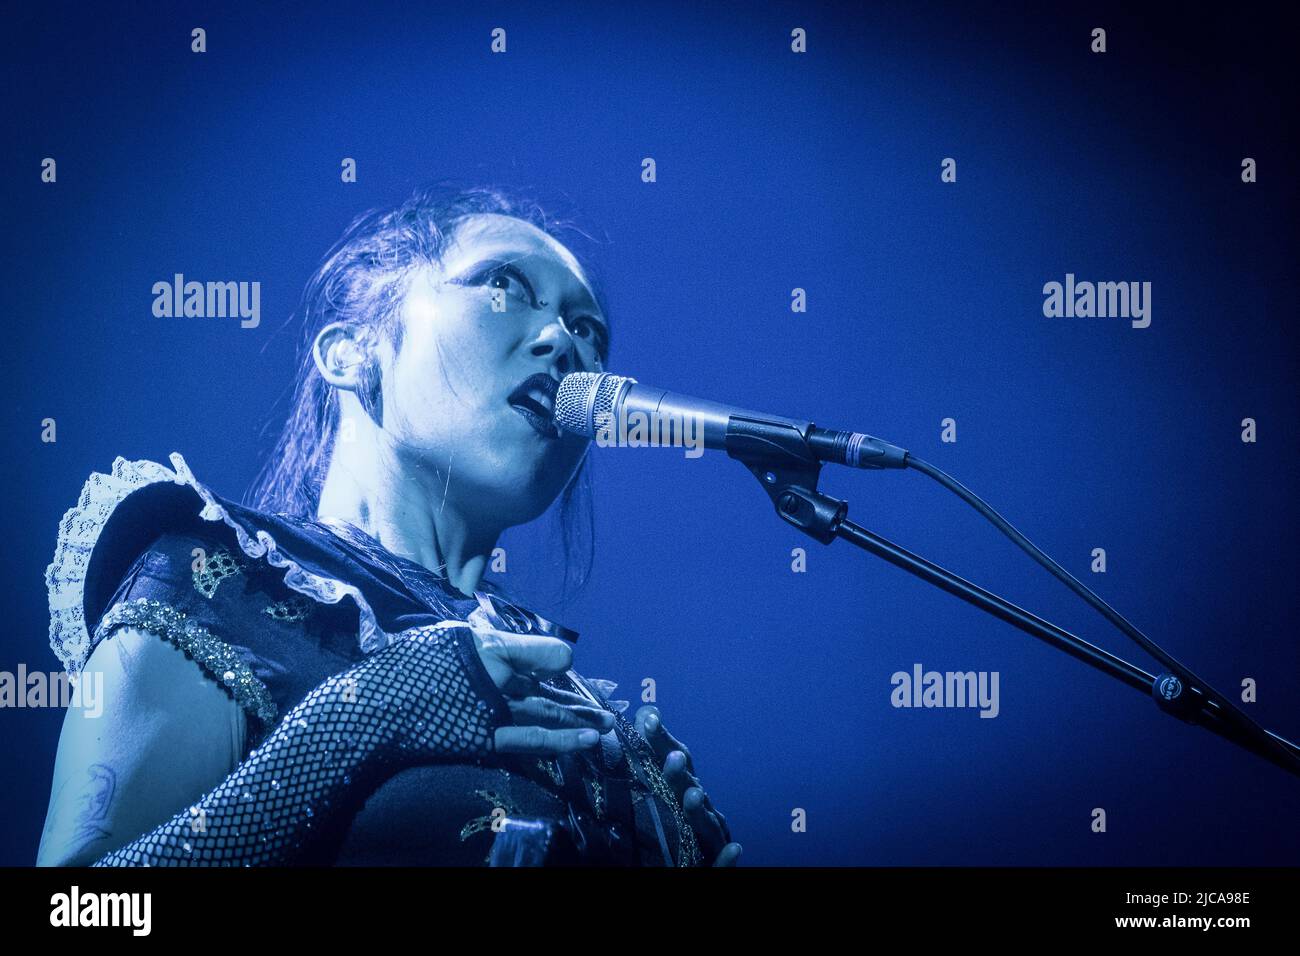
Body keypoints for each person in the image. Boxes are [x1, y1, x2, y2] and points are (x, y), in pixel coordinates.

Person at [36, 184, 741, 867]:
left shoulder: (578, 708)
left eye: (589, 331)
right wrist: (359, 719)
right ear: (352, 352)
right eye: (506, 288)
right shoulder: (214, 578)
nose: (564, 342)